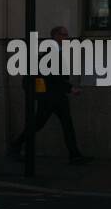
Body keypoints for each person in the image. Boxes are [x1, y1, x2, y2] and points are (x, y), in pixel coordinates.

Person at [7, 25, 90, 165]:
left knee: (65, 125)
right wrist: (70, 89)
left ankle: (75, 155)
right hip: (50, 98)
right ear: (56, 36)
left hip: (56, 97)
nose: (66, 38)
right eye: (64, 35)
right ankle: (16, 145)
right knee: (38, 124)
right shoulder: (51, 54)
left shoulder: (55, 52)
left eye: (66, 35)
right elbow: (54, 77)